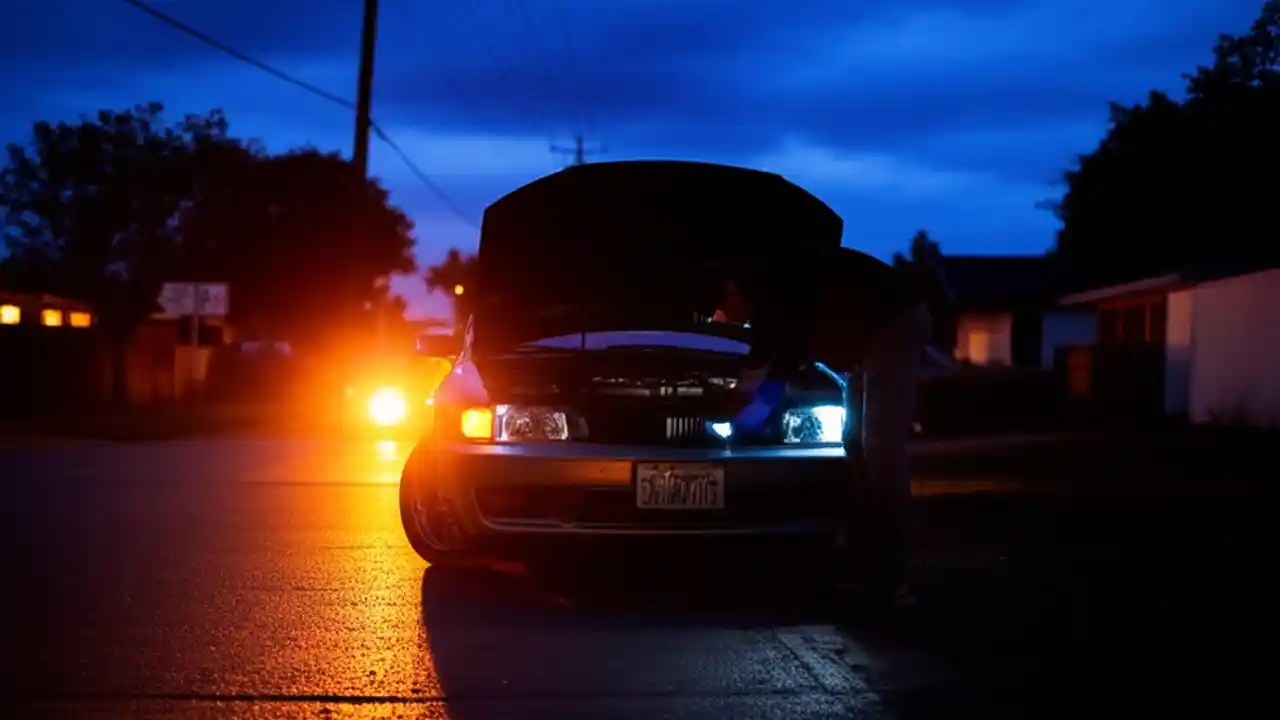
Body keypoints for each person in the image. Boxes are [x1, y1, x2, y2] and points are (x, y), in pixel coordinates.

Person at [715, 246, 930, 607]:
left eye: (724, 313)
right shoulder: (770, 299)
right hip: (865, 340)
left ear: (734, 290)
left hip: (893, 324)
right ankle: (866, 566)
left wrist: (744, 421)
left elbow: (778, 371)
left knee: (880, 450)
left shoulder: (779, 294)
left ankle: (896, 574)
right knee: (854, 444)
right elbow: (763, 358)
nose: (729, 322)